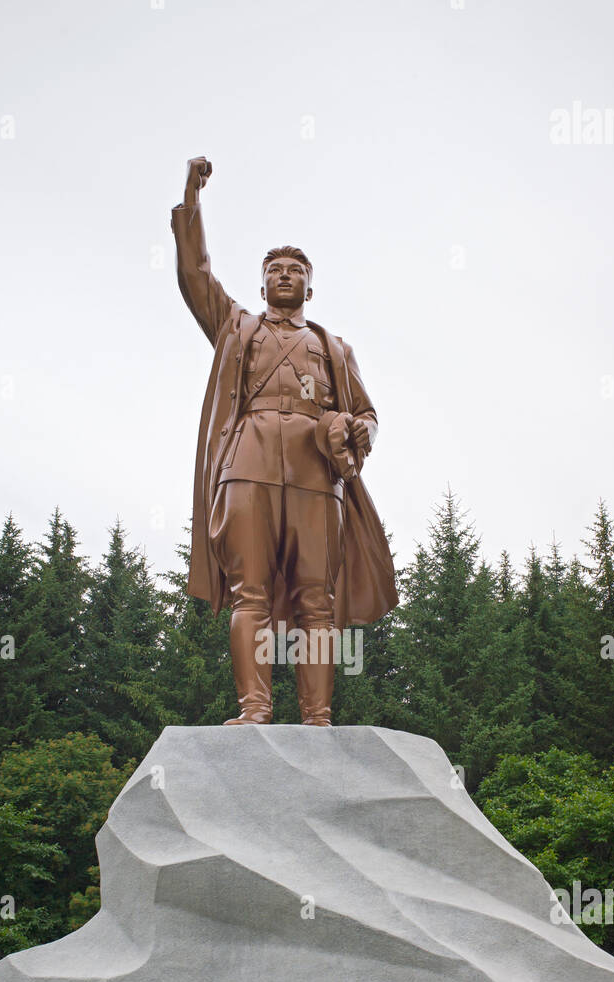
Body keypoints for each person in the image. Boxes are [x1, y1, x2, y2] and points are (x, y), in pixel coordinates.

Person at [171, 156, 397, 726]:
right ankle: (254, 711)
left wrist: (354, 431)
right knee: (251, 591)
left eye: (296, 268)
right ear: (262, 281)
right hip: (247, 462)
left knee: (315, 598)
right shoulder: (235, 327)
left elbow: (368, 414)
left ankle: (317, 717)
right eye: (275, 268)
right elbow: (195, 274)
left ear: (311, 285)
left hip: (316, 471)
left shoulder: (335, 347)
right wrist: (191, 202)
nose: (285, 274)